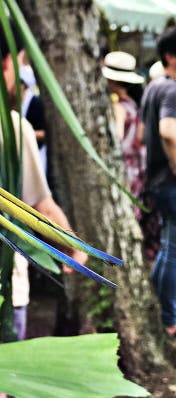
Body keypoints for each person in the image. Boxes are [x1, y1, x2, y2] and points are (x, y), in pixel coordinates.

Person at [0, 24, 87, 341]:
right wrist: (73, 248)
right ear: (6, 61)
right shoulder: (11, 128)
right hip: (1, 287)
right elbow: (40, 208)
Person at [141, 26, 176, 336]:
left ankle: (164, 311)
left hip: (154, 179)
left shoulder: (154, 87)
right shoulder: (172, 90)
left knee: (168, 244)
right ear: (170, 56)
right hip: (169, 181)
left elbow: (144, 133)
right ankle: (170, 318)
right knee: (173, 246)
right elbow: (168, 131)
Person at [102, 51, 146, 204]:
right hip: (138, 165)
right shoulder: (133, 103)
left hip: (126, 166)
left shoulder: (118, 107)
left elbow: (118, 136)